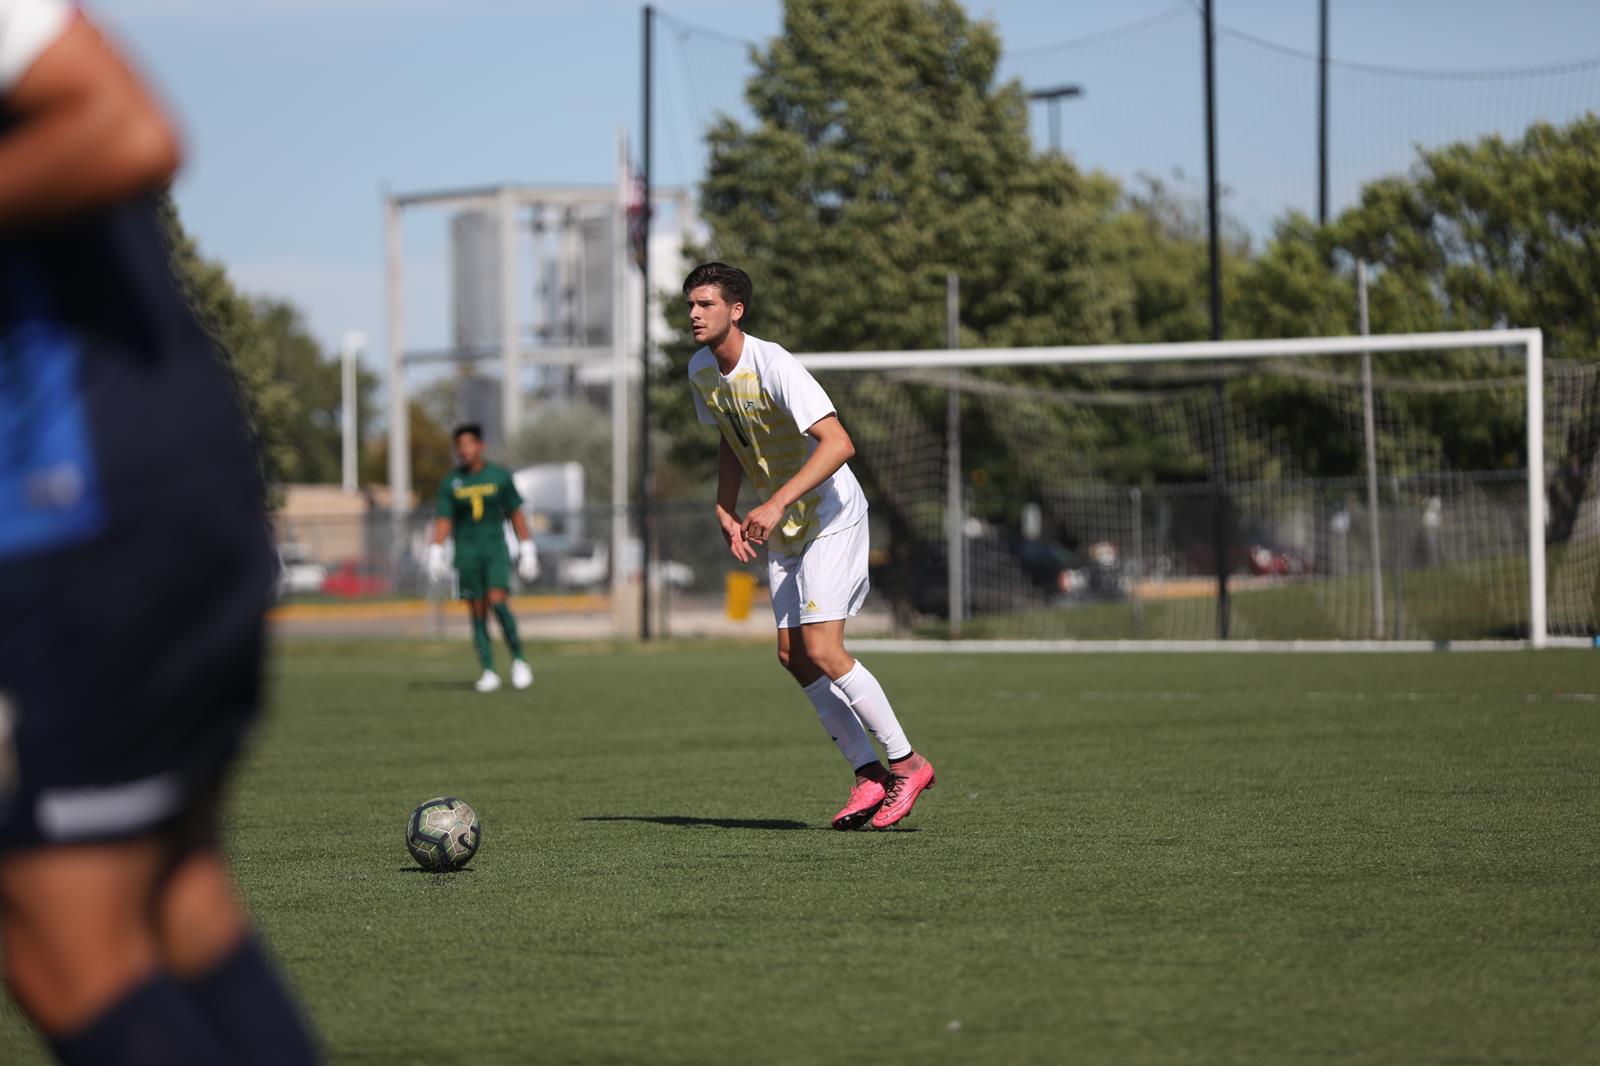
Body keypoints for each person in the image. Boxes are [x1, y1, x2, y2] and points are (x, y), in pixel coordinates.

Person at [0, 3, 319, 1063]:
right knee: (180, 903)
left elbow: (122, 126)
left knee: (63, 945)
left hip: (80, 497)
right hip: (146, 472)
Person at [682, 262, 936, 830]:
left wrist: (774, 503)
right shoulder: (701, 370)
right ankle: (869, 774)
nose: (694, 315)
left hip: (829, 514)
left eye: (705, 304)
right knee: (792, 655)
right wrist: (724, 505)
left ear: (736, 311)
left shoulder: (774, 364)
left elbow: (838, 443)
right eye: (690, 305)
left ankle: (908, 764)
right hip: (787, 523)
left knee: (822, 648)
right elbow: (731, 436)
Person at [426, 423, 540, 692]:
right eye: (459, 446)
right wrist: (436, 550)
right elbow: (444, 518)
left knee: (497, 601)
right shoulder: (451, 482)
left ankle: (519, 660)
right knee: (477, 609)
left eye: (469, 444)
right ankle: (488, 670)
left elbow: (515, 512)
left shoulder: (499, 476)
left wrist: (527, 548)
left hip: (494, 549)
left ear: (480, 446)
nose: (464, 450)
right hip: (467, 552)